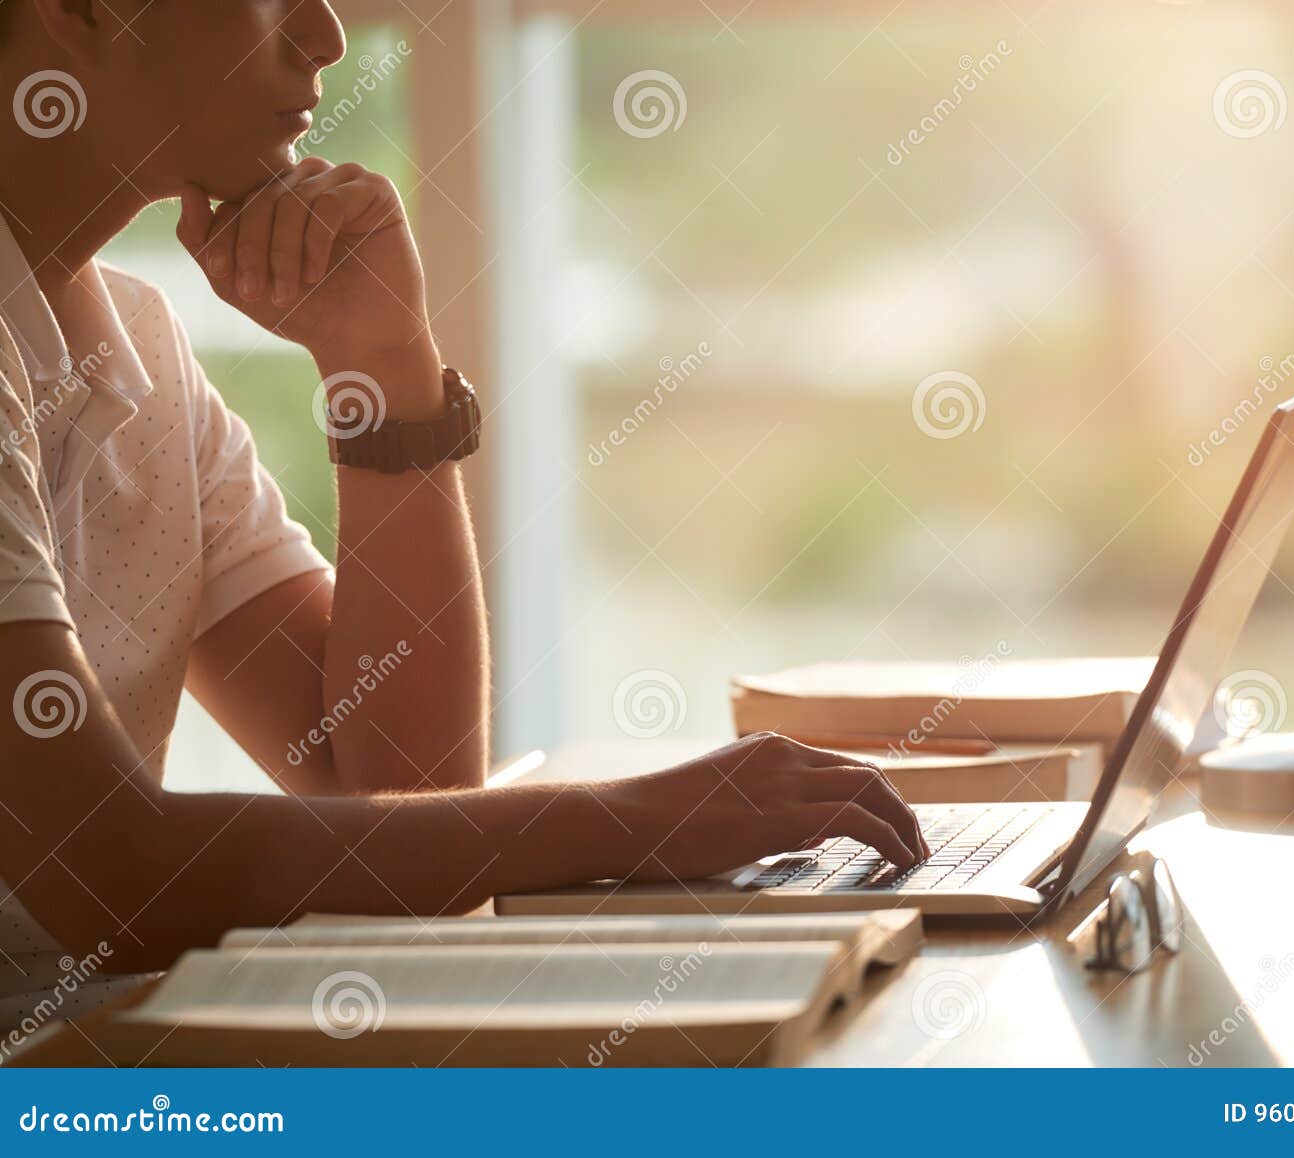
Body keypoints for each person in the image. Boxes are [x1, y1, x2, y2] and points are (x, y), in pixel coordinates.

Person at [0, 0, 925, 1034]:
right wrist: (636, 819)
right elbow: (112, 876)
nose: (326, 34)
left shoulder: (136, 344)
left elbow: (398, 788)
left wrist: (384, 369)